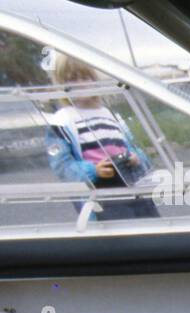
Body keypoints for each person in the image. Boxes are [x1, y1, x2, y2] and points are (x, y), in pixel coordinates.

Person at [46, 54, 159, 221]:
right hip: (101, 192)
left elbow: (132, 146)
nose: (80, 85)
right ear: (62, 85)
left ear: (94, 79)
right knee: (121, 234)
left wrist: (137, 158)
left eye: (84, 78)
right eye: (71, 80)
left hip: (130, 183)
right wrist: (93, 170)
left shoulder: (110, 115)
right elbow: (61, 166)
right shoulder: (63, 121)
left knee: (150, 224)